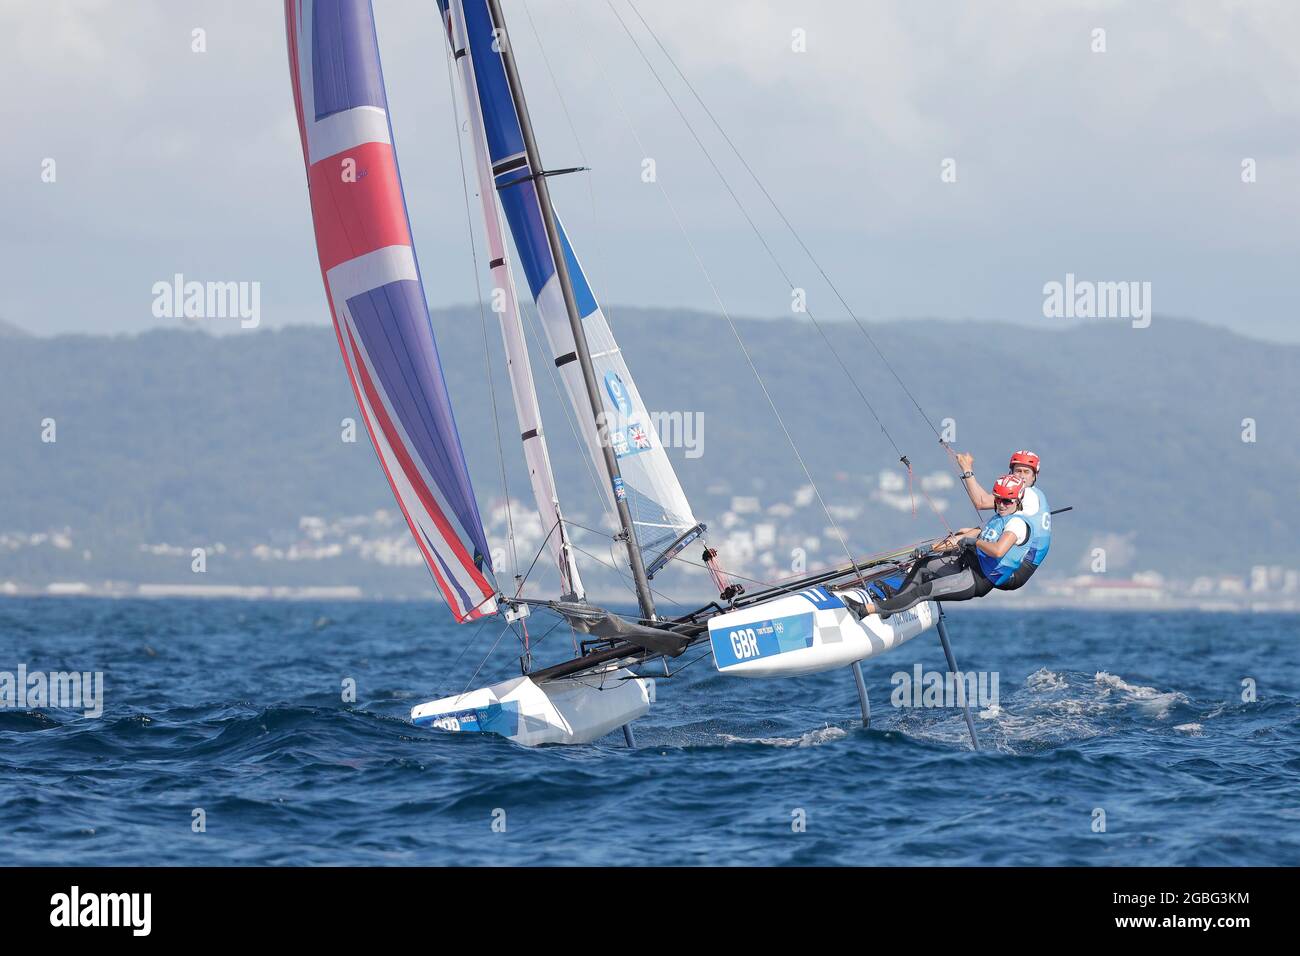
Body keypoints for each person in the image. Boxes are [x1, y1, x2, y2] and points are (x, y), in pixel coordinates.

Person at [846, 474, 1033, 618]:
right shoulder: (997, 519)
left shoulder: (1016, 524)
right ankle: (891, 607)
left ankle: (864, 611)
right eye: (998, 499)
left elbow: (998, 550)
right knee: (923, 566)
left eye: (1006, 501)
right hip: (967, 564)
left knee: (922, 592)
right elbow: (960, 539)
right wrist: (930, 548)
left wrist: (975, 542)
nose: (1001, 505)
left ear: (1018, 500)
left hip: (978, 579)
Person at [955, 448, 1051, 590]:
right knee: (966, 534)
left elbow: (980, 502)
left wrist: (967, 469)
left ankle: (927, 584)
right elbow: (989, 500)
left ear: (1034, 476)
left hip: (1014, 570)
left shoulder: (1027, 495)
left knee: (964, 542)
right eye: (1018, 471)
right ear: (1011, 472)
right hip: (1017, 560)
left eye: (1026, 472)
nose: (1022, 476)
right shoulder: (1035, 494)